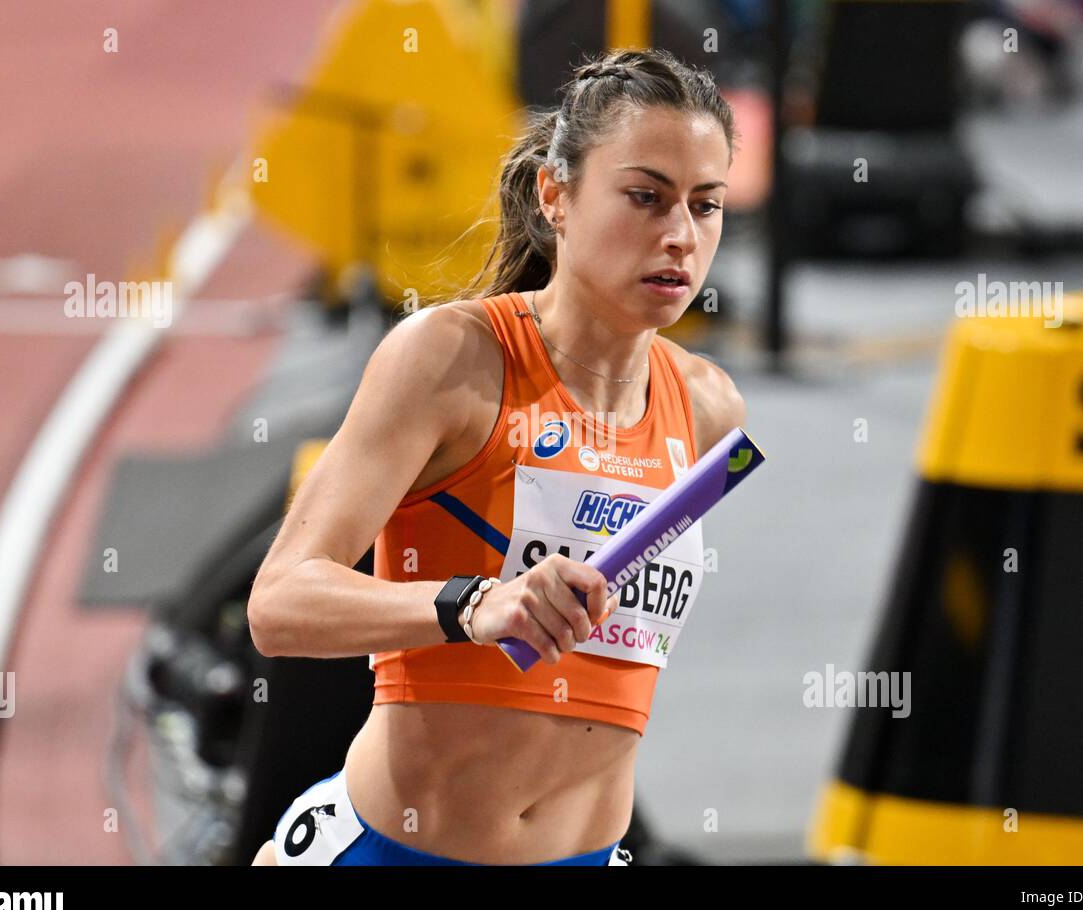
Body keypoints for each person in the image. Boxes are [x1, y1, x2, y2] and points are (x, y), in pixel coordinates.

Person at [247, 47, 745, 866]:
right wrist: (472, 606)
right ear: (556, 194)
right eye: (645, 197)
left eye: (706, 204)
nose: (680, 236)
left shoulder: (710, 410)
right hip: (397, 849)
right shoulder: (451, 360)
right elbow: (278, 604)